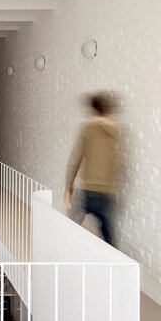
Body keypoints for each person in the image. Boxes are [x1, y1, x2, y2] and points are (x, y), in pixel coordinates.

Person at [64, 91, 122, 246]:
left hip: (88, 190)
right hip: (107, 191)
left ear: (94, 109)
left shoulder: (88, 127)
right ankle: (114, 262)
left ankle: (65, 250)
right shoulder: (116, 131)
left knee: (71, 223)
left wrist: (68, 186)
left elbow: (75, 159)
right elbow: (120, 162)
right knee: (107, 233)